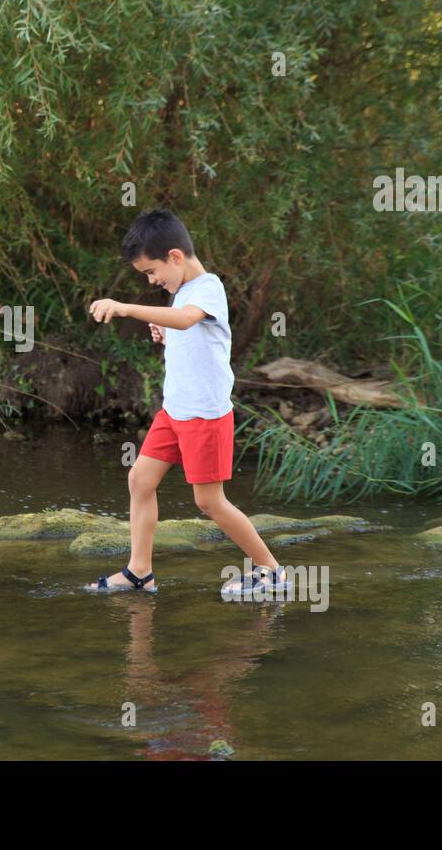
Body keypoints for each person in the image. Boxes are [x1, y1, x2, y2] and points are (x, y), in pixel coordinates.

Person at [85, 207, 289, 600]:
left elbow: (187, 319)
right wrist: (166, 334)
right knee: (139, 479)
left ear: (175, 257)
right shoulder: (181, 293)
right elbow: (184, 327)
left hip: (205, 416)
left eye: (151, 272)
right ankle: (139, 572)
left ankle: (271, 570)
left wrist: (126, 307)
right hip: (174, 411)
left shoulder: (208, 287)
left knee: (209, 502)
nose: (152, 280)